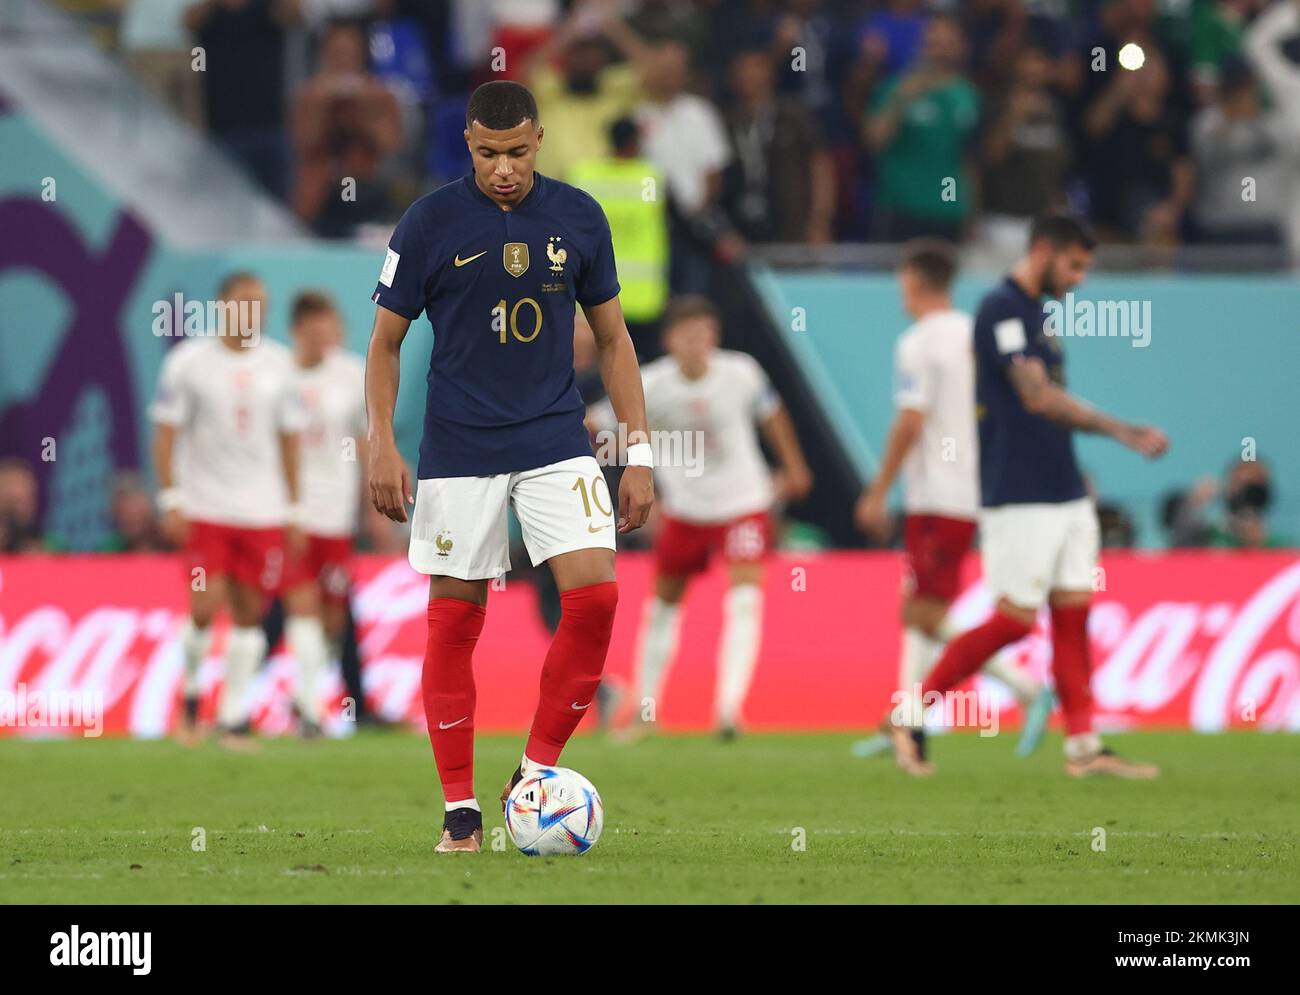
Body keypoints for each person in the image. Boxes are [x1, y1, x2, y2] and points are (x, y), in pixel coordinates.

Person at [365, 80, 654, 853]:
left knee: (595, 599)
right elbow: (385, 345)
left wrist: (638, 451)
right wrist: (383, 443)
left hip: (556, 436)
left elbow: (617, 341)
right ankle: (460, 809)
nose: (503, 168)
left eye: (517, 152)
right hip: (458, 448)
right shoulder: (428, 222)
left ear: (541, 141)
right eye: (489, 153)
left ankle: (534, 773)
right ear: (467, 143)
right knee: (456, 622)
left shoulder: (580, 217)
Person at [889, 214, 1169, 778]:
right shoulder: (1000, 309)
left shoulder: (1038, 315)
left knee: (1072, 618)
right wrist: (1121, 430)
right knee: (1014, 620)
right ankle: (911, 713)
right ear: (1044, 250)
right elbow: (1037, 398)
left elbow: (1050, 406)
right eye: (1075, 265)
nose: (1080, 279)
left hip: (1063, 489)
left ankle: (1083, 747)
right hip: (1018, 493)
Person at [855, 241, 1050, 764]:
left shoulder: (917, 343)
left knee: (922, 612)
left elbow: (911, 421)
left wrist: (878, 490)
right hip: (974, 489)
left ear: (914, 282)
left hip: (938, 495)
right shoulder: (975, 332)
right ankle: (905, 721)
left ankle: (1013, 693)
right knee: (918, 610)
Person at [596, 295, 813, 740]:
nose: (698, 343)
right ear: (670, 340)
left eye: (705, 333)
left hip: (743, 503)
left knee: (746, 600)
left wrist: (793, 466)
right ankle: (645, 712)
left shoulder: (741, 373)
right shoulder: (651, 384)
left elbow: (773, 415)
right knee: (662, 608)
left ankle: (729, 709)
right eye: (687, 334)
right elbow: (601, 423)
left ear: (715, 336)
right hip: (687, 509)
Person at [151, 271, 306, 749]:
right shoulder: (188, 362)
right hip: (205, 508)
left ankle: (233, 717)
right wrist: (172, 498)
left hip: (261, 512)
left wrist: (294, 508)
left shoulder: (280, 364)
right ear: (222, 305)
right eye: (244, 302)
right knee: (203, 603)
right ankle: (192, 697)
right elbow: (165, 433)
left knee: (249, 614)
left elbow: (289, 438)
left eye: (260, 303)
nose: (253, 311)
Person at [277, 290, 367, 736]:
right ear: (297, 331)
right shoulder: (277, 376)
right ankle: (309, 710)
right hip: (289, 513)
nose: (323, 338)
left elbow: (368, 439)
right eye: (314, 330)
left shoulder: (350, 374)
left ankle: (305, 697)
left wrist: (373, 502)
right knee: (303, 605)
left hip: (337, 513)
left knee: (333, 614)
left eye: (328, 327)